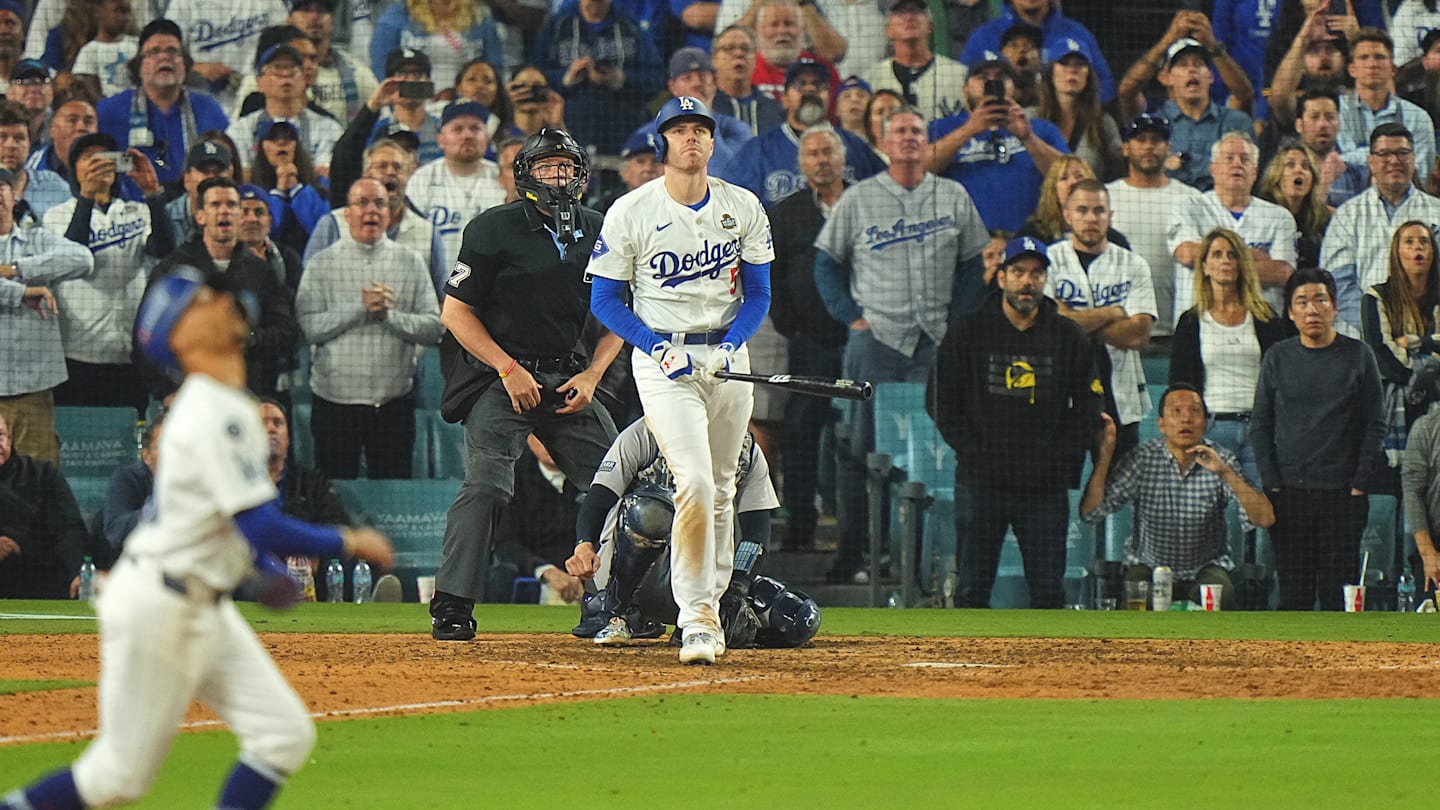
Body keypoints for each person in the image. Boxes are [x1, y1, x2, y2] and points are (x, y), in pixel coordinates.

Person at [0, 264, 394, 810]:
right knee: (115, 778)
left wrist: (262, 574)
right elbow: (258, 523)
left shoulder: (229, 406)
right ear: (177, 337)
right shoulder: (210, 409)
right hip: (159, 605)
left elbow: (230, 525)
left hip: (200, 602)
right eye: (200, 300)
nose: (218, 300)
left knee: (282, 735)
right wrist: (347, 542)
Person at [585, 96, 773, 664]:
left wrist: (733, 344)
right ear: (661, 144)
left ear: (713, 143)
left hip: (726, 358)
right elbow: (604, 301)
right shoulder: (630, 210)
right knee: (690, 479)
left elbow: (759, 294)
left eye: (700, 130)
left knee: (719, 489)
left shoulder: (743, 206)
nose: (690, 138)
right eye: (679, 130)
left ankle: (708, 611)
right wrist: (657, 348)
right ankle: (694, 617)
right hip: (663, 361)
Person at [431, 127, 620, 640]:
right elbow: (455, 312)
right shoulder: (492, 229)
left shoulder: (603, 229)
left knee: (624, 483)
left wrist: (591, 375)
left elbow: (617, 319)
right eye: (546, 168)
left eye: (565, 167)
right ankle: (451, 605)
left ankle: (619, 604)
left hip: (570, 379)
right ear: (525, 175)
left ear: (579, 174)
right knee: (488, 484)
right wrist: (508, 369)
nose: (557, 177)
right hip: (501, 377)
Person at [814, 105, 989, 584]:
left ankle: (926, 562)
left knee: (933, 454)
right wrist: (853, 318)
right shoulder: (859, 199)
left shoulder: (953, 195)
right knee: (860, 452)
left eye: (917, 131)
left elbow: (975, 266)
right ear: (886, 145)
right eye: (900, 132)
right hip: (878, 343)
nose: (909, 139)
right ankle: (854, 556)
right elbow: (825, 264)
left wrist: (957, 322)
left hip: (933, 343)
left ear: (927, 143)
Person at [931, 236, 1100, 609]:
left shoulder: (1068, 337)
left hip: (1044, 487)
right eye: (1019, 272)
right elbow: (941, 401)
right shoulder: (968, 331)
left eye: (1037, 273)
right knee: (971, 589)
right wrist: (975, 452)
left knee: (1048, 592)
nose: (1028, 281)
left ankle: (1053, 670)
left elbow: (1089, 406)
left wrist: (1060, 461)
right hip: (981, 481)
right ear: (1002, 277)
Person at [565, 420, 817, 650]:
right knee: (651, 513)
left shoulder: (745, 448)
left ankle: (692, 626)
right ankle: (615, 610)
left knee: (796, 616)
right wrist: (583, 545)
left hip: (702, 580)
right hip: (635, 573)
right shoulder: (647, 432)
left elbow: (756, 533)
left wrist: (736, 589)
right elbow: (598, 499)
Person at [1251, 267, 1387, 610]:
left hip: (1343, 495)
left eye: (1320, 300)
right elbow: (1261, 425)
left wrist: (1359, 483)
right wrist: (1273, 484)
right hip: (1290, 496)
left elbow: (1375, 424)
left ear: (1334, 307)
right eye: (1302, 302)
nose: (1312, 309)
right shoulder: (1277, 358)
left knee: (1337, 594)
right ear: (1291, 312)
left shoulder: (1359, 355)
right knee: (1293, 594)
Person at [297, 177, 443, 480]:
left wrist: (388, 316)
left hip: (393, 405)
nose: (371, 210)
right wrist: (359, 309)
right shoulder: (321, 265)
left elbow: (433, 328)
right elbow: (307, 327)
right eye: (361, 203)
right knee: (335, 495)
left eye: (379, 203)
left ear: (389, 214)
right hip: (334, 405)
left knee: (394, 497)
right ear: (346, 214)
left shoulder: (411, 262)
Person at [1081, 385, 1276, 612]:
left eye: (1194, 411)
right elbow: (1091, 513)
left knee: (1222, 595)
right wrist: (1105, 453)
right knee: (1135, 595)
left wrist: (1225, 473)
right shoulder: (1142, 459)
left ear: (1205, 422)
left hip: (1205, 568)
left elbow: (1265, 518)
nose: (1186, 418)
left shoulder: (1221, 459)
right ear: (1161, 424)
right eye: (1176, 411)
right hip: (1148, 566)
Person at [45, 132, 174, 414]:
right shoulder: (56, 215)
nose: (98, 163)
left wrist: (153, 192)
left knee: (129, 439)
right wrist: (86, 197)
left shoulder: (136, 211)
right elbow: (72, 256)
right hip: (78, 351)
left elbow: (164, 249)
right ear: (73, 169)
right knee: (82, 445)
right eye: (88, 158)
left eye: (105, 157)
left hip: (130, 353)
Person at [149, 176, 300, 401]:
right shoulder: (173, 269)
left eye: (231, 205)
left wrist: (246, 338)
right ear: (200, 216)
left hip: (245, 395)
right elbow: (146, 337)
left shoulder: (261, 271)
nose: (224, 211)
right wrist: (166, 392)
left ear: (239, 214)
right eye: (215, 205)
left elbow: (285, 331)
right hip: (188, 396)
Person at [769, 127, 846, 551]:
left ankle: (863, 537)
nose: (821, 159)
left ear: (842, 157)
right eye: (812, 153)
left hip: (861, 341)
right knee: (801, 432)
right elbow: (771, 276)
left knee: (860, 439)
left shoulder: (862, 203)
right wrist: (790, 325)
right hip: (809, 343)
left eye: (828, 152)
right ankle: (801, 530)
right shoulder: (786, 213)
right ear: (800, 164)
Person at [1046, 178, 1156, 462]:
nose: (1091, 218)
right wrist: (1111, 313)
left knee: (1120, 491)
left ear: (1111, 216)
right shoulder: (1047, 261)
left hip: (1119, 394)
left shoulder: (1133, 264)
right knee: (1058, 487)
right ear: (1067, 215)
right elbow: (1046, 326)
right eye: (1082, 210)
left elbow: (1137, 335)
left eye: (1099, 211)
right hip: (1062, 393)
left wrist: (1072, 321)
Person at [1170, 227, 1289, 484]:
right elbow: (1179, 385)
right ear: (1204, 266)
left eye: (1232, 255)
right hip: (1211, 428)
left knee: (1260, 511)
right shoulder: (1191, 322)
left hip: (1258, 429)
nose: (1225, 260)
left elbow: (1282, 378)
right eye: (1217, 254)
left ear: (1241, 265)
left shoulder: (1265, 317)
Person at [0, 165, 95, 465]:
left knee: (39, 486)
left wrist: (19, 269)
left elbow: (83, 258)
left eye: (1, 187)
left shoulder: (38, 240)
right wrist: (23, 292)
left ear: (14, 196)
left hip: (34, 390)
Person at [1320, 123, 1440, 335]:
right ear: (1371, 162)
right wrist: (1375, 325)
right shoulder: (1347, 215)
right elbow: (1338, 281)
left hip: (1429, 330)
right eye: (1384, 154)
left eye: (1402, 153)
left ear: (1413, 159)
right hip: (1362, 336)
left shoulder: (1436, 211)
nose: (1394, 161)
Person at [1168, 132, 1299, 324]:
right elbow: (1187, 254)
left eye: (1245, 160)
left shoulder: (1279, 216)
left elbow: (1282, 273)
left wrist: (1213, 260)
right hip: (1198, 326)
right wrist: (1253, 256)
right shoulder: (1188, 206)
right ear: (1213, 169)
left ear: (1254, 172)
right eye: (1229, 158)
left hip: (1262, 326)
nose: (1237, 164)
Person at [926, 57, 1068, 232]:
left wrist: (1028, 138)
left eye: (1001, 77)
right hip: (964, 242)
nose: (992, 81)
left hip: (1029, 241)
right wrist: (969, 130)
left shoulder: (1041, 128)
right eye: (983, 77)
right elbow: (917, 170)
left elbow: (1071, 176)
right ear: (965, 89)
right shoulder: (940, 128)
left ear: (1013, 88)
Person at [724, 57, 883, 207]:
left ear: (830, 97)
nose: (810, 89)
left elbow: (885, 193)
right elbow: (730, 204)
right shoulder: (757, 151)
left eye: (818, 84)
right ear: (784, 99)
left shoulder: (855, 146)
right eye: (800, 84)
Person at [95, 19, 231, 189]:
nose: (165, 57)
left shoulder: (209, 109)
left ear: (186, 64)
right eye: (154, 51)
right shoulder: (109, 112)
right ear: (139, 65)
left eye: (173, 51)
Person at [1118, 26, 1254, 190]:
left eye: (1198, 64)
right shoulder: (1153, 127)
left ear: (1210, 77)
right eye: (1182, 65)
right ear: (1165, 78)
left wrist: (1213, 46)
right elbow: (1127, 91)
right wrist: (1167, 40)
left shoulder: (1234, 121)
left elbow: (1246, 94)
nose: (1192, 69)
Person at [306, 137, 446, 294]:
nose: (391, 172)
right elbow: (310, 292)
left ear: (408, 176)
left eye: (398, 167)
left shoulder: (427, 233)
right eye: (382, 166)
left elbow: (442, 301)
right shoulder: (332, 224)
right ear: (366, 174)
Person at [1106, 114, 1202, 337]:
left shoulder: (1190, 199)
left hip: (1178, 329)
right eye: (1141, 140)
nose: (1149, 146)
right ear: (1126, 148)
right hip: (1121, 329)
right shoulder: (1106, 198)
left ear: (1167, 147)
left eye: (1156, 140)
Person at [532, 0, 663, 155]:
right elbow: (534, 78)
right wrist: (565, 78)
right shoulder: (558, 25)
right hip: (571, 128)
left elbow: (656, 78)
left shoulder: (629, 26)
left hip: (623, 128)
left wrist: (622, 80)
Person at [1360, 221, 1440, 463]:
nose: (1418, 248)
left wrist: (1417, 342)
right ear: (1397, 252)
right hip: (1393, 405)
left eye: (1424, 242)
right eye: (1409, 242)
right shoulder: (1376, 297)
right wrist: (1426, 370)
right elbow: (1381, 354)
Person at [406, 99, 506, 270]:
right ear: (441, 139)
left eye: (475, 128)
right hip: (438, 285)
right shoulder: (421, 180)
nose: (467, 135)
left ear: (487, 137)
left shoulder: (503, 178)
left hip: (493, 287)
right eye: (457, 129)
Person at [0, 411, 88, 598]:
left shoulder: (43, 474)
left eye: (0, 435)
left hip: (37, 578)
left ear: (9, 438)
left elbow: (68, 529)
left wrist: (76, 572)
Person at [489, 434, 585, 604]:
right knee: (499, 576)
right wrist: (546, 571)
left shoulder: (591, 479)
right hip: (533, 576)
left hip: (587, 573)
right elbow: (506, 544)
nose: (551, 444)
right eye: (542, 436)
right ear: (529, 440)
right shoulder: (513, 482)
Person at [961, 0, 1115, 104]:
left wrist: (1064, 104)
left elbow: (1106, 86)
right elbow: (962, 86)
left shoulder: (1076, 34)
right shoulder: (984, 36)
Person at [227, 44, 343, 175]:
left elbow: (325, 177)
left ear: (303, 79)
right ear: (259, 82)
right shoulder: (240, 130)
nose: (286, 74)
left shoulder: (328, 128)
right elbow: (241, 178)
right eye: (276, 69)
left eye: (293, 69)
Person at [1337, 29, 1437, 178]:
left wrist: (1361, 157)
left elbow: (1420, 174)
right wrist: (1394, 159)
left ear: (1392, 69)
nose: (1372, 64)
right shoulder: (1335, 111)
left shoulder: (1418, 117)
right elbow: (1337, 166)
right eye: (1364, 58)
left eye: (1379, 57)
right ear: (1352, 70)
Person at [1030, 36, 1121, 181]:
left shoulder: (1103, 123)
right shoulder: (1029, 119)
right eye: (1064, 63)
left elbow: (1118, 172)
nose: (1072, 70)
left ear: (1088, 75)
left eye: (1080, 64)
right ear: (1050, 72)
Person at [861, 0, 968, 122]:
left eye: (917, 11)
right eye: (900, 13)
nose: (909, 17)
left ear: (930, 26)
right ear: (888, 31)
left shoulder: (959, 75)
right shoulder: (871, 79)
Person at [368, 0, 502, 95]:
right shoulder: (398, 15)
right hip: (415, 99)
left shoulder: (479, 17)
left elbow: (495, 67)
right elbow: (380, 66)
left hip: (465, 101)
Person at [1256, 139, 1331, 271]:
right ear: (1277, 174)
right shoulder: (1260, 213)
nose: (1299, 170)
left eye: (1306, 166)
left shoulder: (1322, 217)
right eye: (1290, 165)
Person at [99, 410, 163, 557]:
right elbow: (116, 532)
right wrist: (157, 511)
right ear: (146, 456)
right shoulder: (127, 479)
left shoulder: (208, 478)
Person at [1291, 87, 1369, 208]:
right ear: (1299, 125)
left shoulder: (1357, 173)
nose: (1323, 124)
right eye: (1314, 117)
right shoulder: (1286, 170)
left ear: (1339, 124)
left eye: (1330, 117)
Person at [710, 24, 785, 137]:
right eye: (729, 48)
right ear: (714, 60)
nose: (739, 54)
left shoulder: (775, 110)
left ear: (755, 59)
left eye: (745, 49)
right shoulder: (707, 108)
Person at [69, 0, 139, 102]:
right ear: (98, 12)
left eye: (127, 12)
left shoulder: (137, 44)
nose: (125, 18)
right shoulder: (89, 51)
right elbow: (90, 91)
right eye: (119, 11)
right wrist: (109, 109)